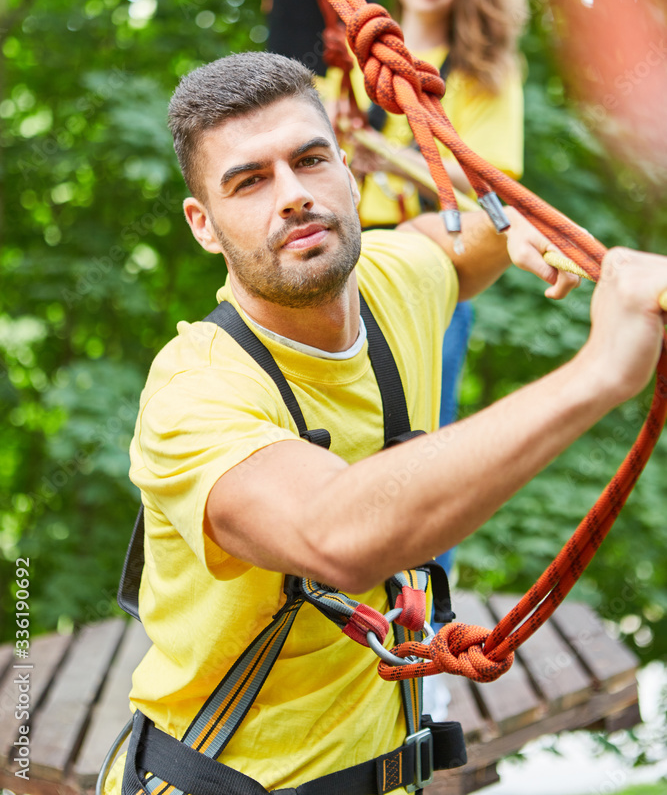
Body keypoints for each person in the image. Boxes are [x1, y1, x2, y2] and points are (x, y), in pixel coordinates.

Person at [107, 51, 666, 795]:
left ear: (347, 169)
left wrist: (513, 230)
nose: (292, 197)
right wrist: (598, 374)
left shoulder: (392, 281)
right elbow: (333, 537)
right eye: (249, 182)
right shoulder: (194, 392)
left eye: (310, 161)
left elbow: (446, 239)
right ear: (203, 225)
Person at [320, 0, 528, 572]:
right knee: (344, 439)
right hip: (349, 256)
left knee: (425, 450)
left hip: (435, 261)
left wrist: (397, 159)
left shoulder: (480, 71)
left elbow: (491, 192)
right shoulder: (359, 51)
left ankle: (430, 627)